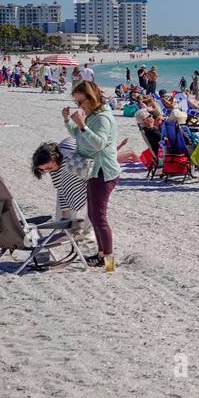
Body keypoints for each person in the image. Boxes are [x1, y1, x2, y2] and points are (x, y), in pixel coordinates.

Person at [63, 81, 120, 273]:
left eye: (80, 102)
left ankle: (109, 263)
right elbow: (80, 136)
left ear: (91, 98)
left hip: (103, 171)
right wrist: (69, 122)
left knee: (99, 217)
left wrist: (81, 125)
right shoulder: (92, 115)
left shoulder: (103, 118)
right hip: (94, 170)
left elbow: (99, 144)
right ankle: (101, 255)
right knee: (94, 216)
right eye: (76, 103)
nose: (79, 106)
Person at [31, 139, 100, 264]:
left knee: (93, 201)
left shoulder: (71, 161)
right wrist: (65, 216)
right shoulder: (54, 165)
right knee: (63, 217)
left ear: (53, 159)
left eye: (48, 168)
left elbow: (93, 170)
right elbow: (61, 187)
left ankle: (87, 231)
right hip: (73, 159)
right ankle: (74, 229)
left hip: (91, 168)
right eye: (44, 170)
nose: (48, 171)